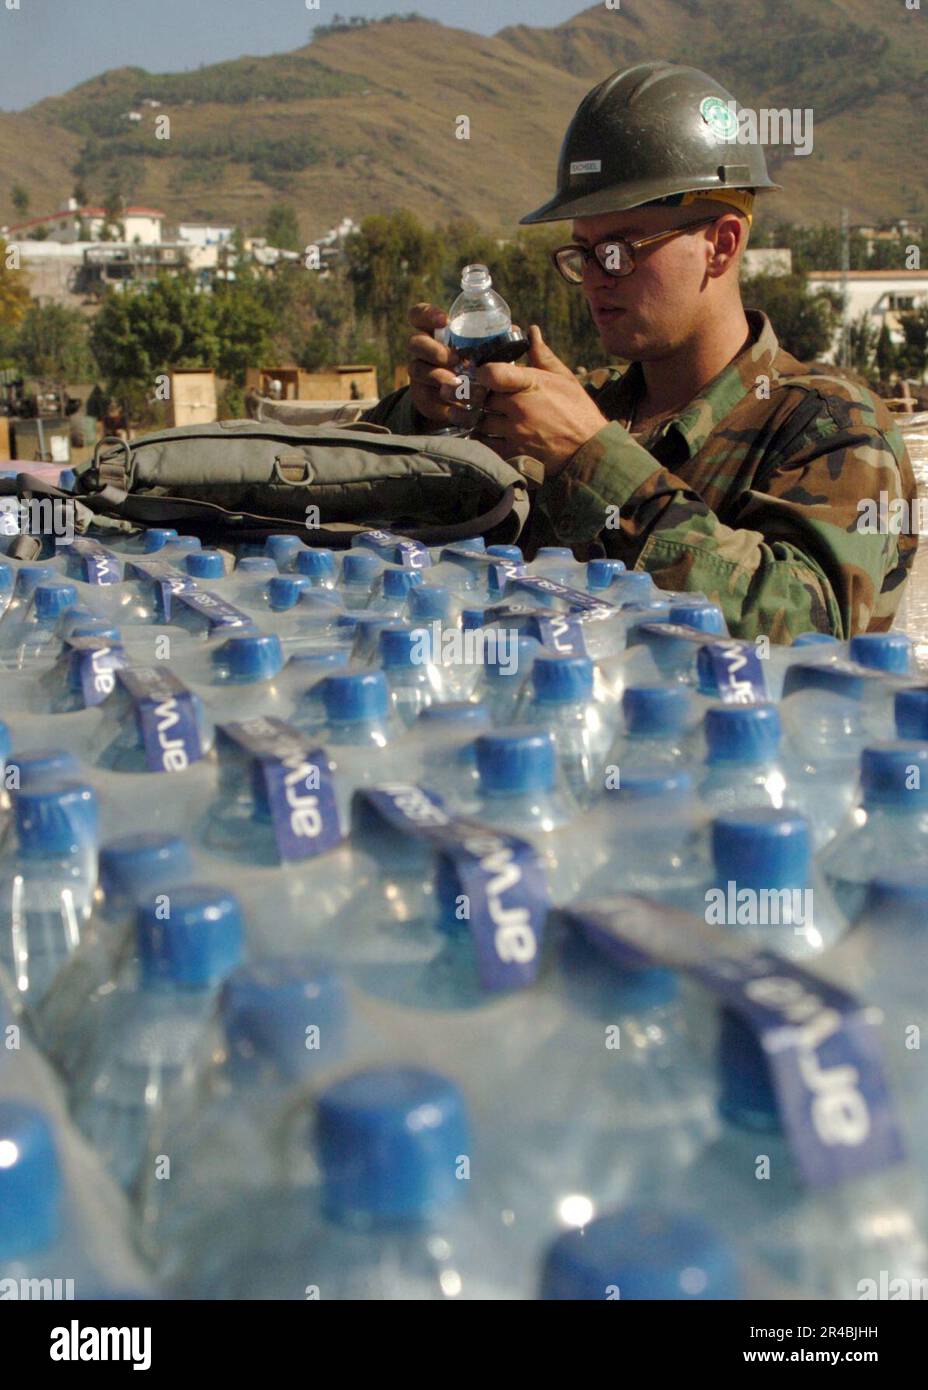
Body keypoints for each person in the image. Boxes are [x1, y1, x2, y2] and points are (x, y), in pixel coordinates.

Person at [363, 62, 917, 643]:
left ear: (721, 244)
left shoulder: (830, 426)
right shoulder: (590, 404)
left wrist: (592, 460)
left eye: (620, 250)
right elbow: (376, 497)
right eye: (583, 253)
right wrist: (430, 415)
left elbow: (807, 622)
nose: (595, 279)